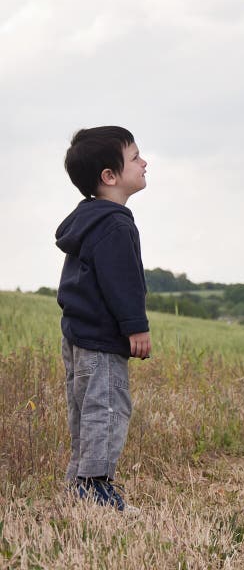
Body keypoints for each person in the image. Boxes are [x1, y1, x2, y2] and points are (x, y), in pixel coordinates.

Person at [55, 126, 151, 512]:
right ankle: (95, 487)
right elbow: (122, 282)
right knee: (108, 407)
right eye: (134, 157)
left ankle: (79, 480)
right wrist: (136, 326)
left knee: (85, 408)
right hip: (101, 339)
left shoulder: (88, 220)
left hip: (77, 335)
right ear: (109, 176)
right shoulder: (114, 223)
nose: (144, 162)